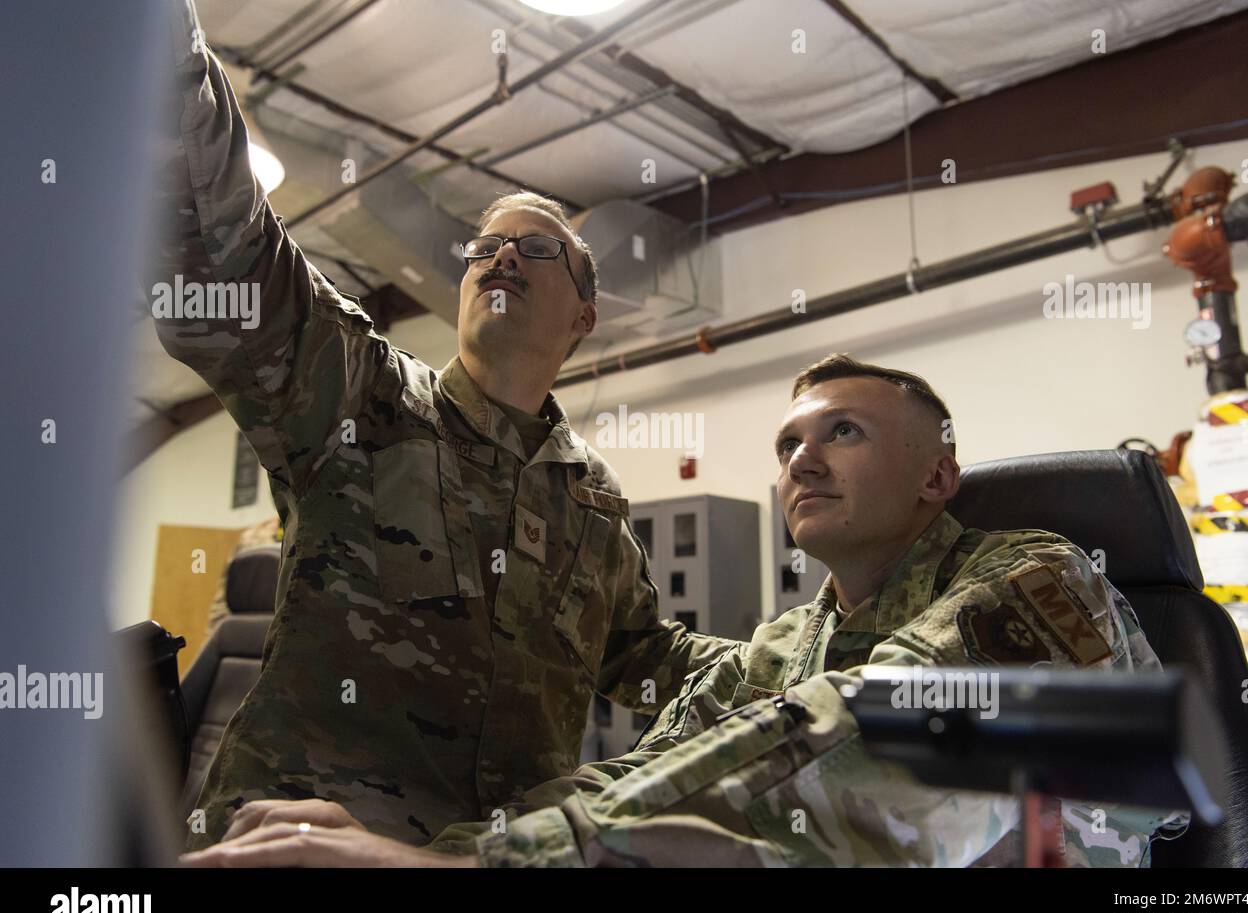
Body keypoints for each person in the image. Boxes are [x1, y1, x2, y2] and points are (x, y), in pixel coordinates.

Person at [181, 354, 1185, 868]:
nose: (803, 459)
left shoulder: (1037, 573)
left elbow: (888, 736)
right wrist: (420, 841)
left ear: (937, 475)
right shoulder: (784, 647)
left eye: (842, 432)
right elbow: (642, 777)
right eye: (789, 443)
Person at [154, 0, 737, 851]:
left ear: (584, 315)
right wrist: (169, 57)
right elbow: (237, 259)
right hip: (296, 841)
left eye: (536, 248)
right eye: (484, 247)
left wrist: (821, 655)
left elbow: (651, 662)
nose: (500, 254)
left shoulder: (595, 509)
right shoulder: (364, 397)